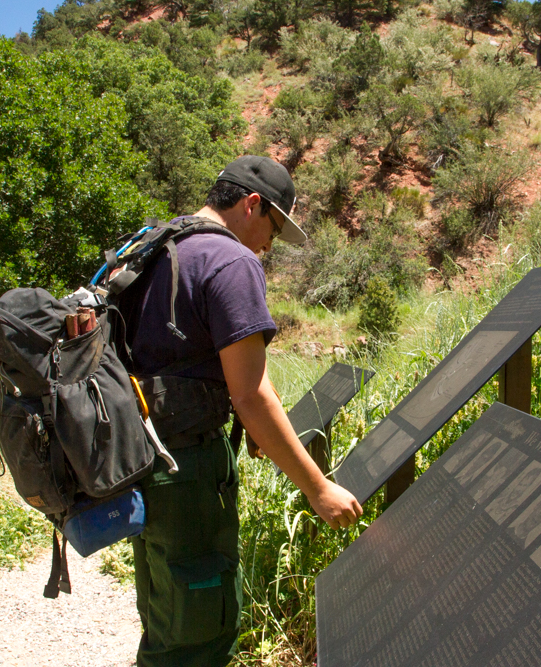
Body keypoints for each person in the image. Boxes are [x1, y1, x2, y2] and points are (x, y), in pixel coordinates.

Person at [118, 155, 363, 666]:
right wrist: (319, 489)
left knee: (167, 614)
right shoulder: (232, 262)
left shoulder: (157, 245)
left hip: (139, 458)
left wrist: (248, 419)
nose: (270, 246)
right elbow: (250, 394)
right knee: (199, 633)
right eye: (273, 228)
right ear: (252, 205)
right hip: (188, 472)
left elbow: (208, 358)